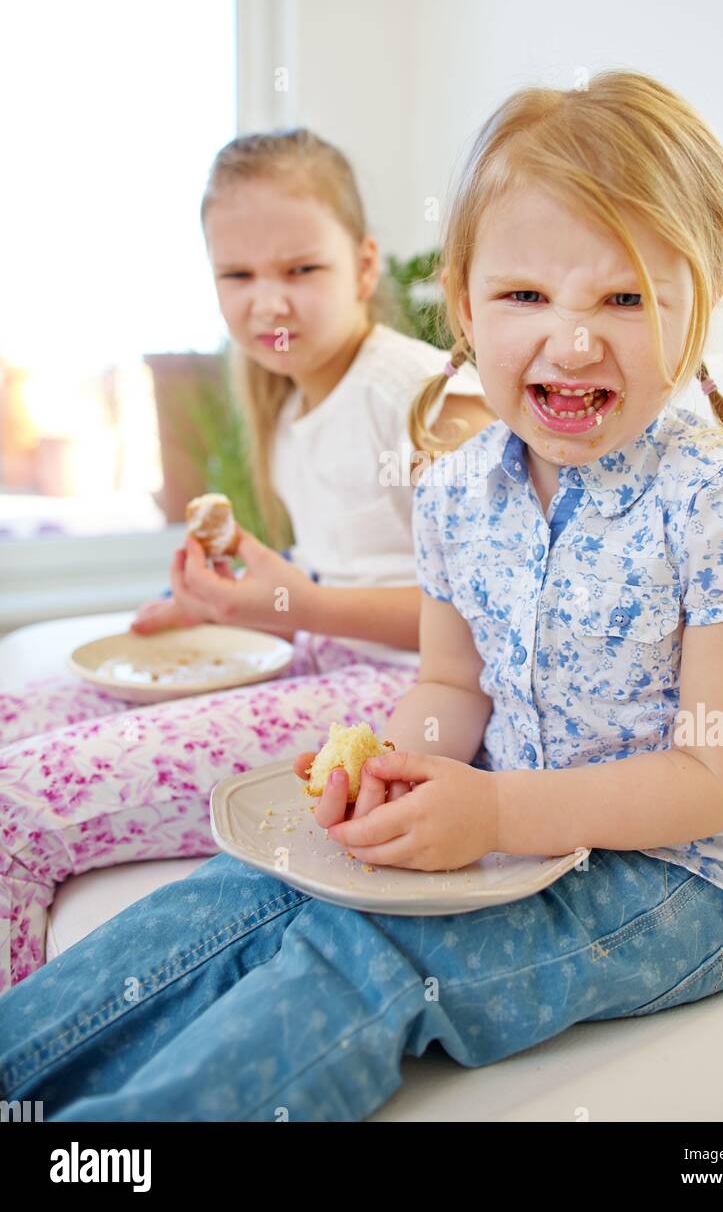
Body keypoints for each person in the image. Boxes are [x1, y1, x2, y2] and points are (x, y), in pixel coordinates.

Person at [0, 71, 723, 1122]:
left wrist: (493, 809)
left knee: (363, 949)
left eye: (623, 298)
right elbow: (447, 686)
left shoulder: (719, 500)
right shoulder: (457, 489)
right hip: (512, 821)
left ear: (695, 303)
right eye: (524, 297)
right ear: (465, 304)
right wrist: (398, 763)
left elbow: (713, 777)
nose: (571, 341)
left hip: (681, 877)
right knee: (252, 883)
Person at [0, 129, 491, 992]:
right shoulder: (298, 402)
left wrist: (294, 605)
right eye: (239, 275)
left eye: (302, 270)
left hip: (410, 691)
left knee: (19, 799)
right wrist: (212, 603)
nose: (270, 301)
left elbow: (496, 614)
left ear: (365, 267)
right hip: (322, 655)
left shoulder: (418, 397)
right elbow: (350, 558)